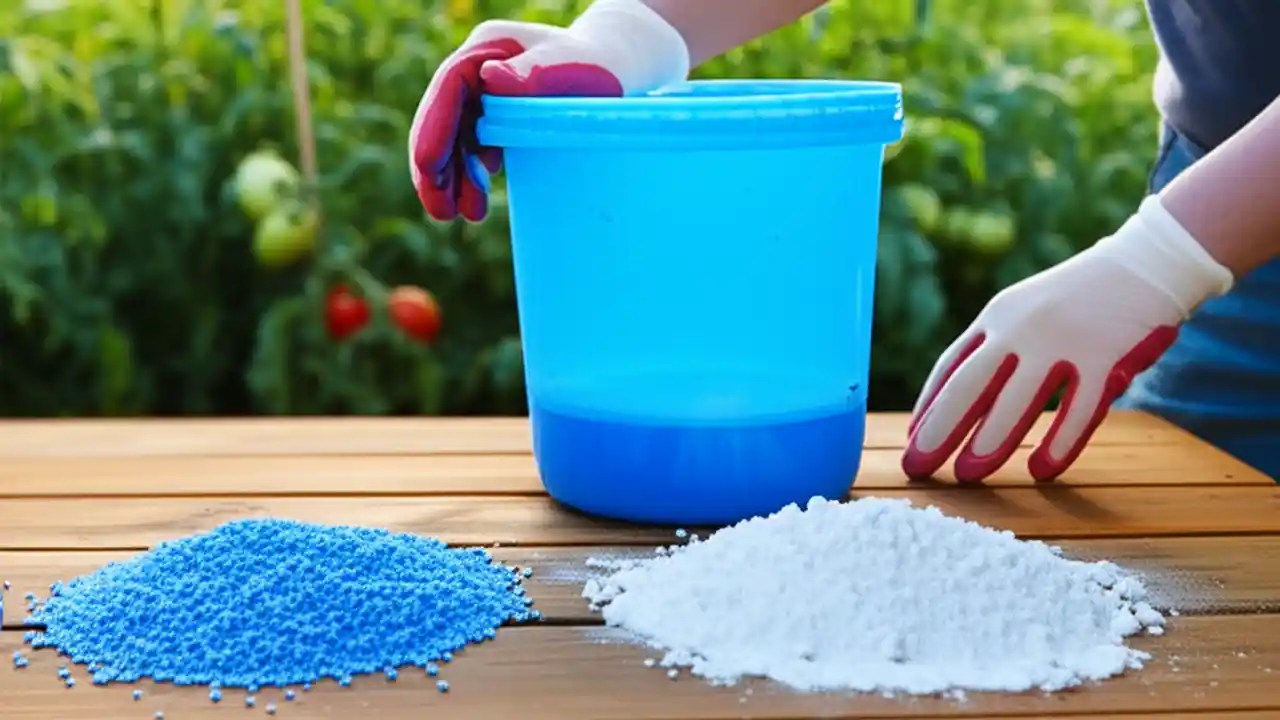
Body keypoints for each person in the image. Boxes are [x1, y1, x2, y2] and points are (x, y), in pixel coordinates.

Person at [408, 0, 1280, 481]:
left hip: (1205, 227)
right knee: (1215, 556)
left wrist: (1164, 258)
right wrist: (624, 39)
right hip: (1222, 181)